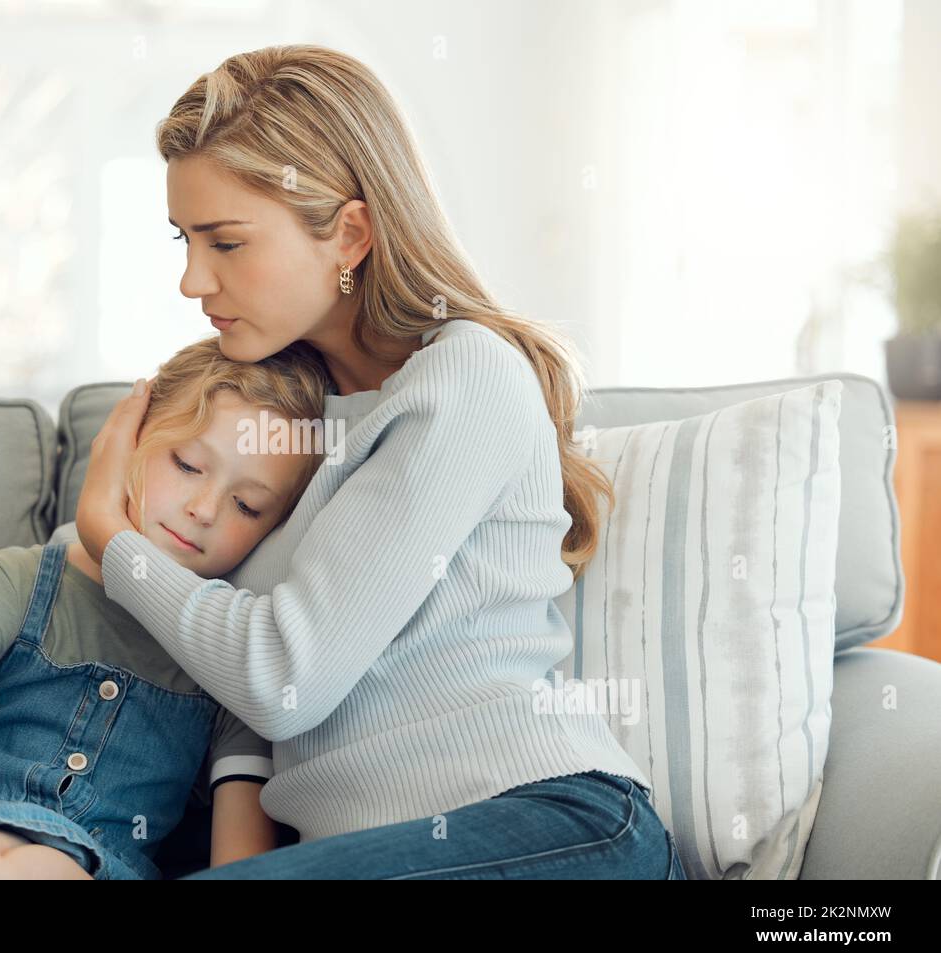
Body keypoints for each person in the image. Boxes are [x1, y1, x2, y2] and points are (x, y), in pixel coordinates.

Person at [73, 44, 687, 879]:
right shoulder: (286, 426)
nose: (190, 280)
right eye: (185, 240)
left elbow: (283, 677)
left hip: (547, 823)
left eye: (225, 242)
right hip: (359, 852)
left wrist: (113, 539)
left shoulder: (466, 374)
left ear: (350, 234)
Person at [0, 336, 331, 879]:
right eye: (188, 464)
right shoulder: (9, 583)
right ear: (125, 439)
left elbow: (241, 859)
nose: (204, 509)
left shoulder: (235, 653)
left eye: (247, 505)